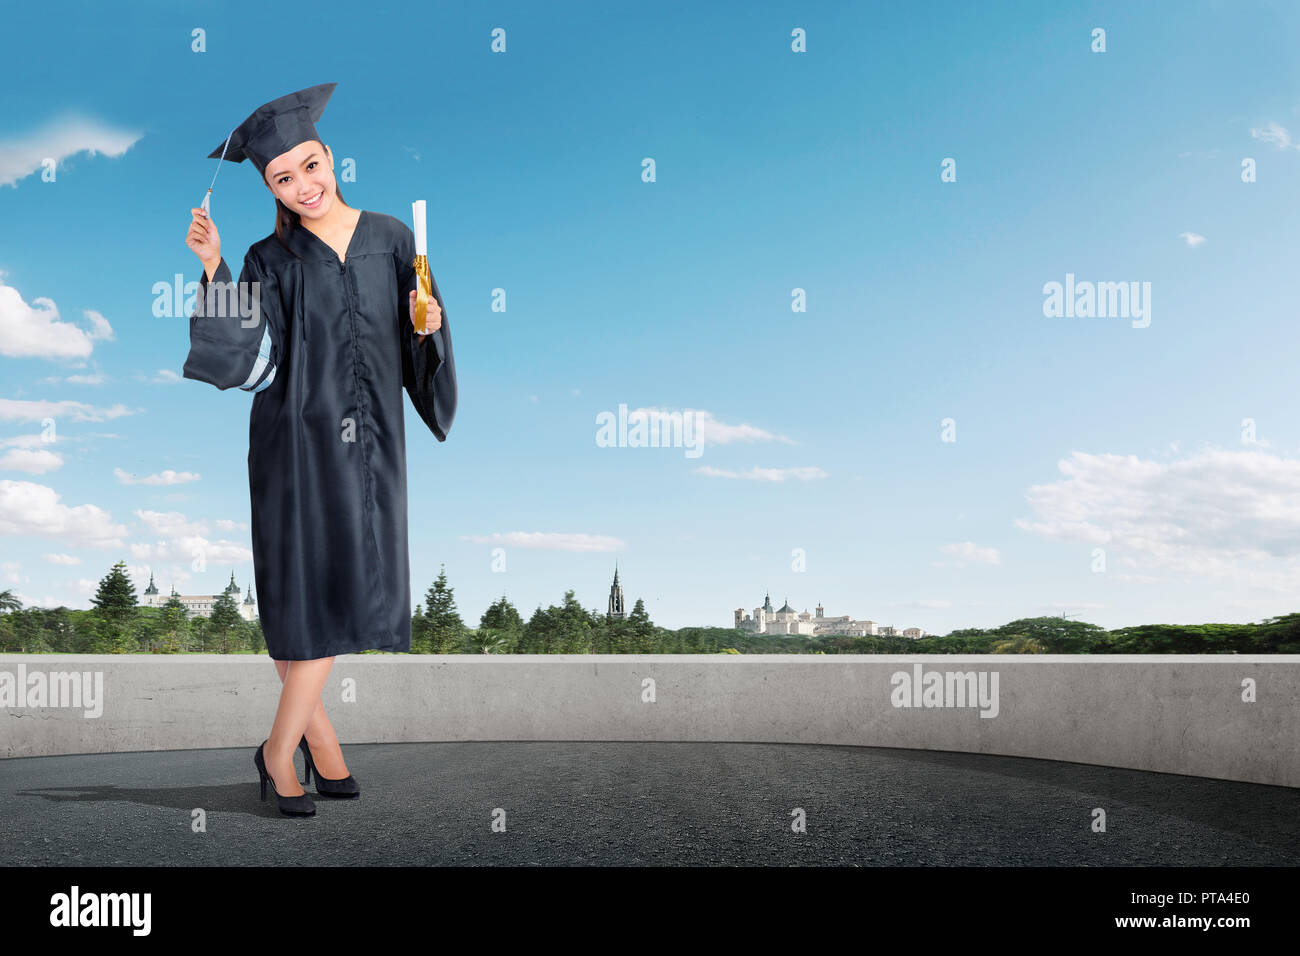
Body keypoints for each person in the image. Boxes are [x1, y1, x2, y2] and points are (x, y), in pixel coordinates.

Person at [182, 83, 458, 817]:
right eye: (283, 177)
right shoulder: (266, 256)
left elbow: (419, 336)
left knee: (342, 583)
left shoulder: (394, 239)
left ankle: (312, 745)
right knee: (301, 589)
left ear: (330, 157)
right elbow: (246, 357)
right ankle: (287, 752)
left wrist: (425, 325)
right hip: (292, 438)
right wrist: (213, 270)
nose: (303, 186)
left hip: (372, 439)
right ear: (268, 184)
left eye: (311, 166)